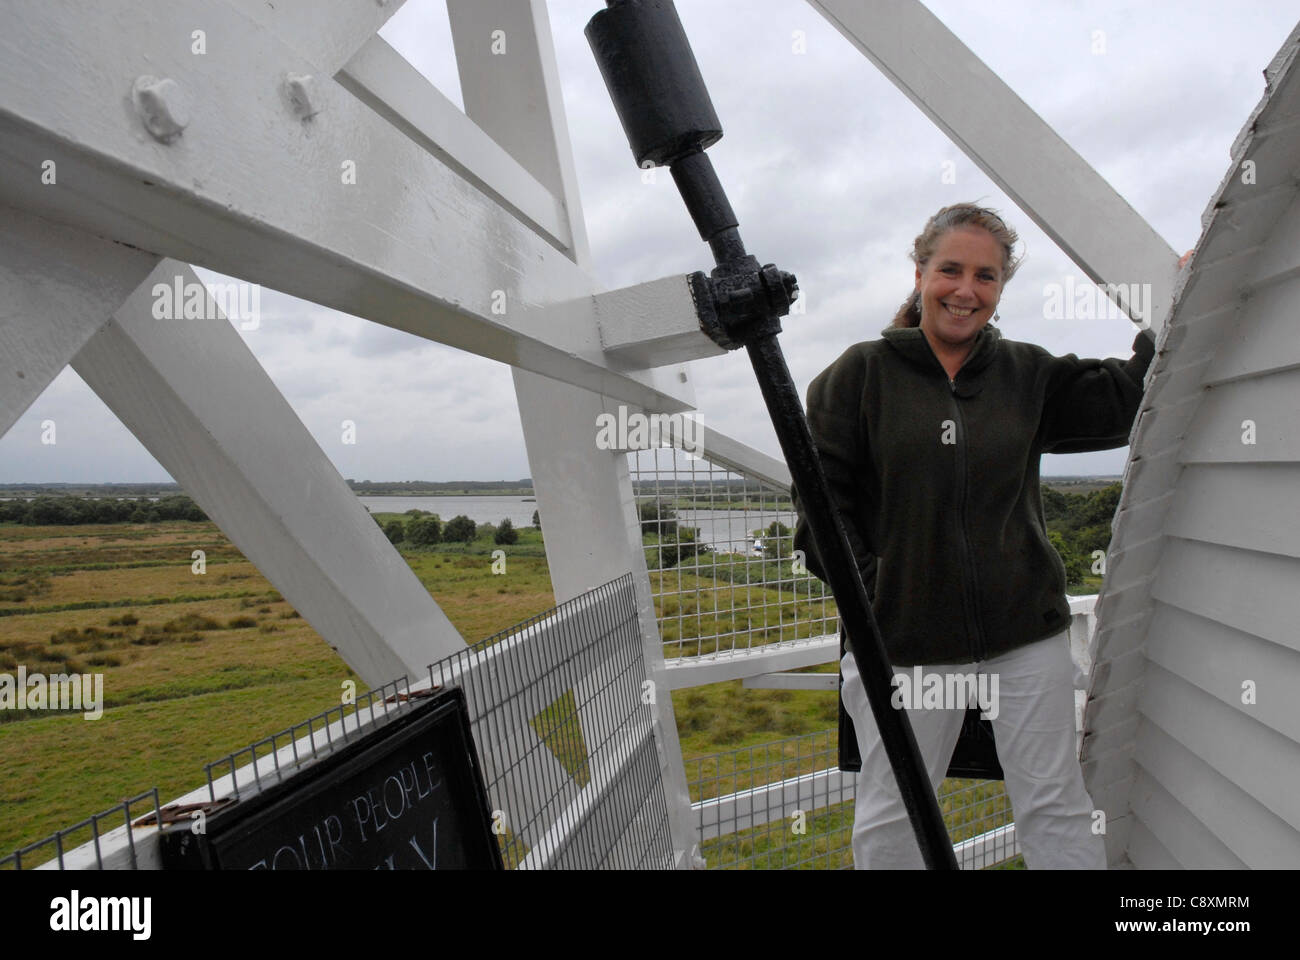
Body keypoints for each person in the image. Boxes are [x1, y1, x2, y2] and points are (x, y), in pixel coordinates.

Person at [791, 202, 1157, 869]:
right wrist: (880, 597)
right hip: (904, 644)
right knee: (897, 814)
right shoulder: (859, 376)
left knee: (1054, 804)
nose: (967, 290)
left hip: (1026, 635)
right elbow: (820, 512)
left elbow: (1125, 397)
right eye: (951, 270)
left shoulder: (1027, 374)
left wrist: (1168, 308)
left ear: (1000, 288)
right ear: (921, 271)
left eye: (986, 277)